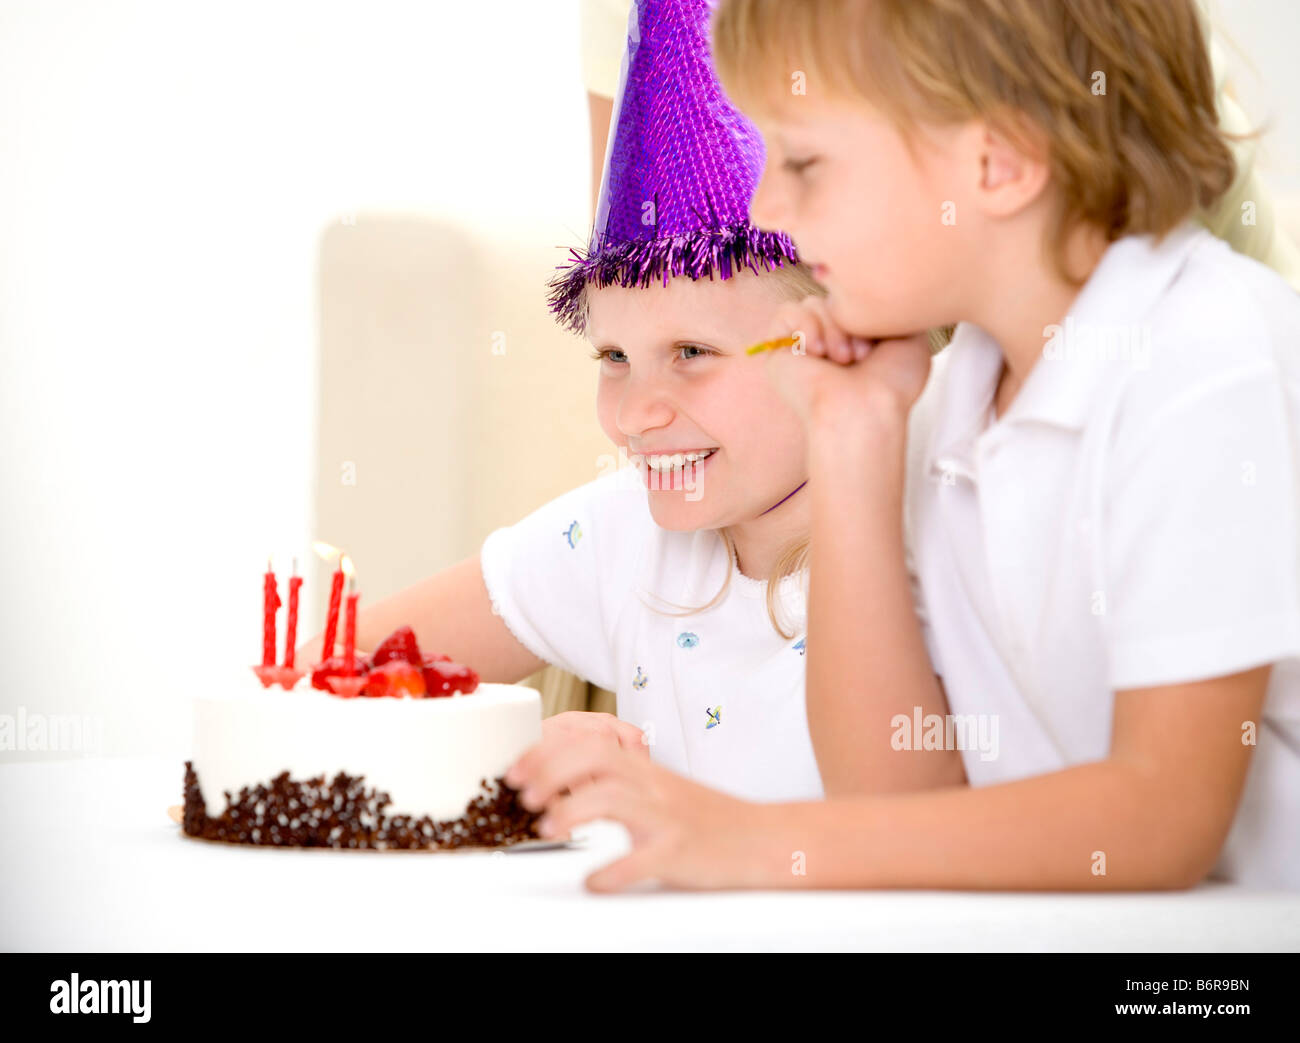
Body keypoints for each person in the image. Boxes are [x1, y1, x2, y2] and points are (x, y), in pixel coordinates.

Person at [507, 0, 1300, 893]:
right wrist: (851, 449)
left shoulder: (1201, 352)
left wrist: (754, 842)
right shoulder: (948, 402)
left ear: (998, 164)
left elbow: (1161, 823)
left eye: (804, 162)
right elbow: (888, 786)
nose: (767, 206)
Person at [300, 0, 963, 802]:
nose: (634, 415)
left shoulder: (951, 525)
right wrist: (500, 754)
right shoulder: (617, 534)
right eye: (613, 356)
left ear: (835, 330)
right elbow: (319, 674)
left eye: (691, 353)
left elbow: (908, 829)